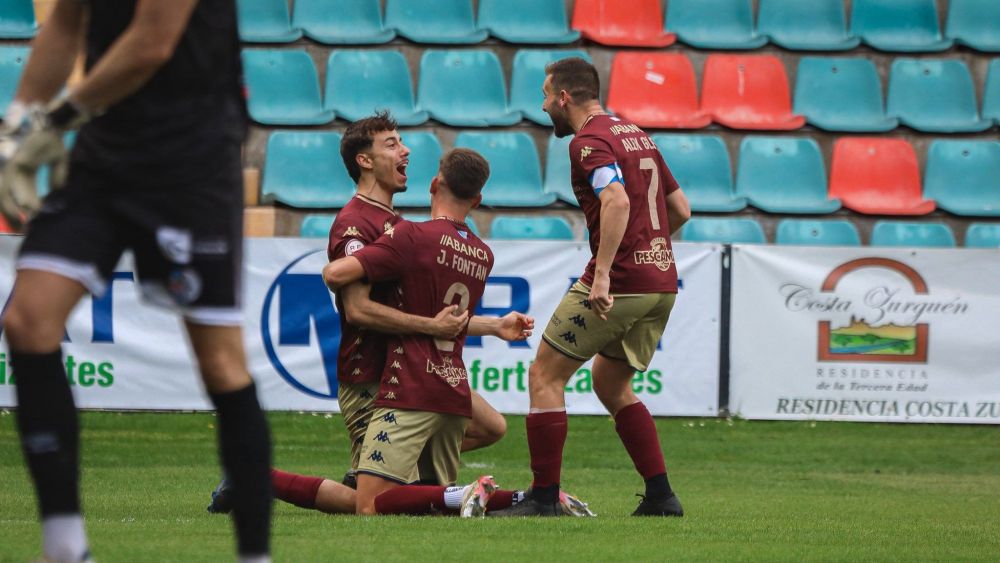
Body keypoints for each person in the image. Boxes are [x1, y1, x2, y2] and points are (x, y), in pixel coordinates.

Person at [0, 1, 272, 561]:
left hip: (190, 160)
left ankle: (254, 555)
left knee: (218, 360)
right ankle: (65, 547)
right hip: (105, 154)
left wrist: (54, 122)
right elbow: (68, 25)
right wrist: (16, 129)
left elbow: (152, 42)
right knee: (28, 320)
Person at [207, 113, 533, 516]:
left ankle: (376, 471)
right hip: (372, 374)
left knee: (490, 427)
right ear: (365, 161)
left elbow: (430, 313)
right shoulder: (354, 224)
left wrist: (493, 326)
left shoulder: (402, 226)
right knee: (376, 504)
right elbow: (358, 310)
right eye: (392, 144)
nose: (406, 150)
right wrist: (430, 325)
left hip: (416, 370)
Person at [322, 148, 590, 518]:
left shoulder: (410, 235)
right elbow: (445, 318)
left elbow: (341, 283)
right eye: (392, 143)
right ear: (478, 200)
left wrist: (339, 269)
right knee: (436, 488)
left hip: (404, 381)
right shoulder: (482, 254)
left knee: (368, 502)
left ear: (434, 184)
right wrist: (493, 326)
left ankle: (257, 481)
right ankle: (528, 497)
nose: (403, 151)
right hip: (449, 382)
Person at [491, 58, 691, 518]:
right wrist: (648, 248)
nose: (543, 106)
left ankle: (543, 498)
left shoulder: (587, 142)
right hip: (661, 281)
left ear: (564, 97)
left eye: (545, 96)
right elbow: (680, 208)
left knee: (545, 375)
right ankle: (661, 495)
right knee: (610, 380)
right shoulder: (636, 133)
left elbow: (616, 198)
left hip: (620, 283)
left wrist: (604, 274)